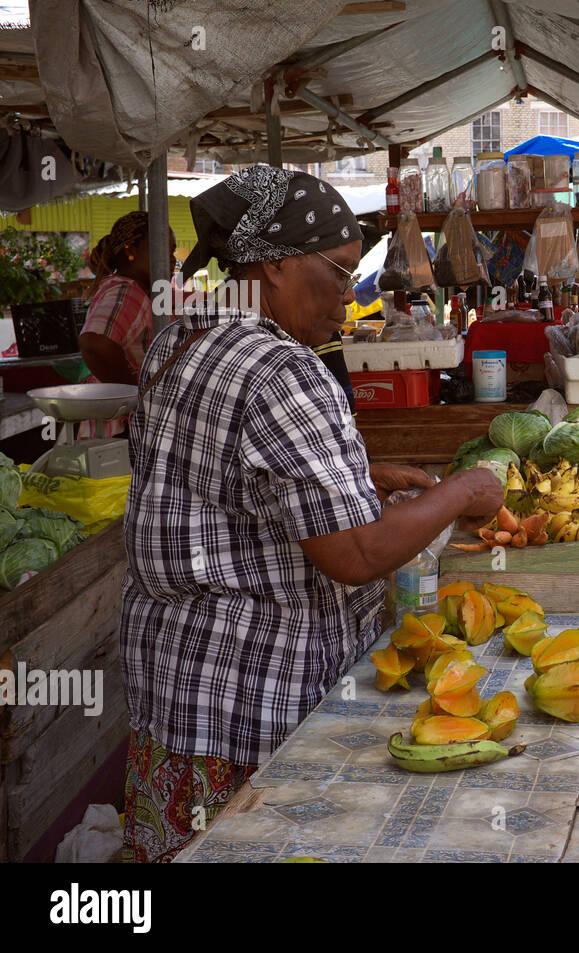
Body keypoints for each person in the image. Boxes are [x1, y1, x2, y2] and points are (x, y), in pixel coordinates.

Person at [118, 166, 504, 862]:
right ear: (273, 265)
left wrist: (355, 474)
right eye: (339, 271)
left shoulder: (177, 341)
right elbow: (353, 552)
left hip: (176, 694)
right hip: (251, 707)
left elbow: (221, 485)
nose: (348, 298)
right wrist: (464, 490)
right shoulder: (282, 369)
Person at [80, 210, 177, 385]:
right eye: (163, 250)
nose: (172, 259)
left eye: (172, 251)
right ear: (131, 252)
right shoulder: (126, 291)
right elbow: (94, 345)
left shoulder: (135, 290)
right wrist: (134, 391)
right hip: (126, 411)